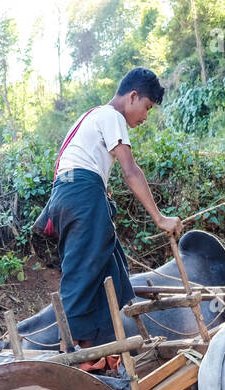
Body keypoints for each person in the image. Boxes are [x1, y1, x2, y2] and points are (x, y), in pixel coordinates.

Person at [39, 67, 183, 351]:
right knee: (82, 273)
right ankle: (72, 350)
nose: (144, 117)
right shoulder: (112, 116)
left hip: (70, 195)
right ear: (132, 96)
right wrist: (160, 218)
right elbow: (131, 172)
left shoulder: (89, 117)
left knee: (111, 270)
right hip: (81, 195)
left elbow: (80, 163)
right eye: (146, 107)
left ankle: (102, 346)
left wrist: (96, 190)